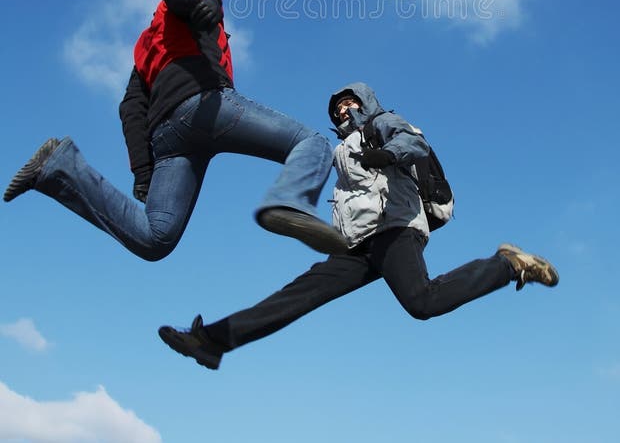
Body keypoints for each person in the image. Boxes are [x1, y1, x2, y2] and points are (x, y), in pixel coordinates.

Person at [3, 0, 346, 259]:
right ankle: (289, 201)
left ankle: (59, 166)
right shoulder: (181, 4)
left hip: (168, 139)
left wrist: (143, 173)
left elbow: (130, 109)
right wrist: (208, 4)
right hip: (204, 104)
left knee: (156, 238)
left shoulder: (144, 50)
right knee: (311, 143)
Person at [158, 81, 559, 369]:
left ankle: (507, 264)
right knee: (300, 294)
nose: (342, 110)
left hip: (396, 228)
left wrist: (386, 155)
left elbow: (413, 143)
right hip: (356, 245)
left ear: (366, 103)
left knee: (422, 302)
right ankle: (211, 340)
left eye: (349, 103)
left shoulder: (381, 123)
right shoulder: (339, 148)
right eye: (337, 109)